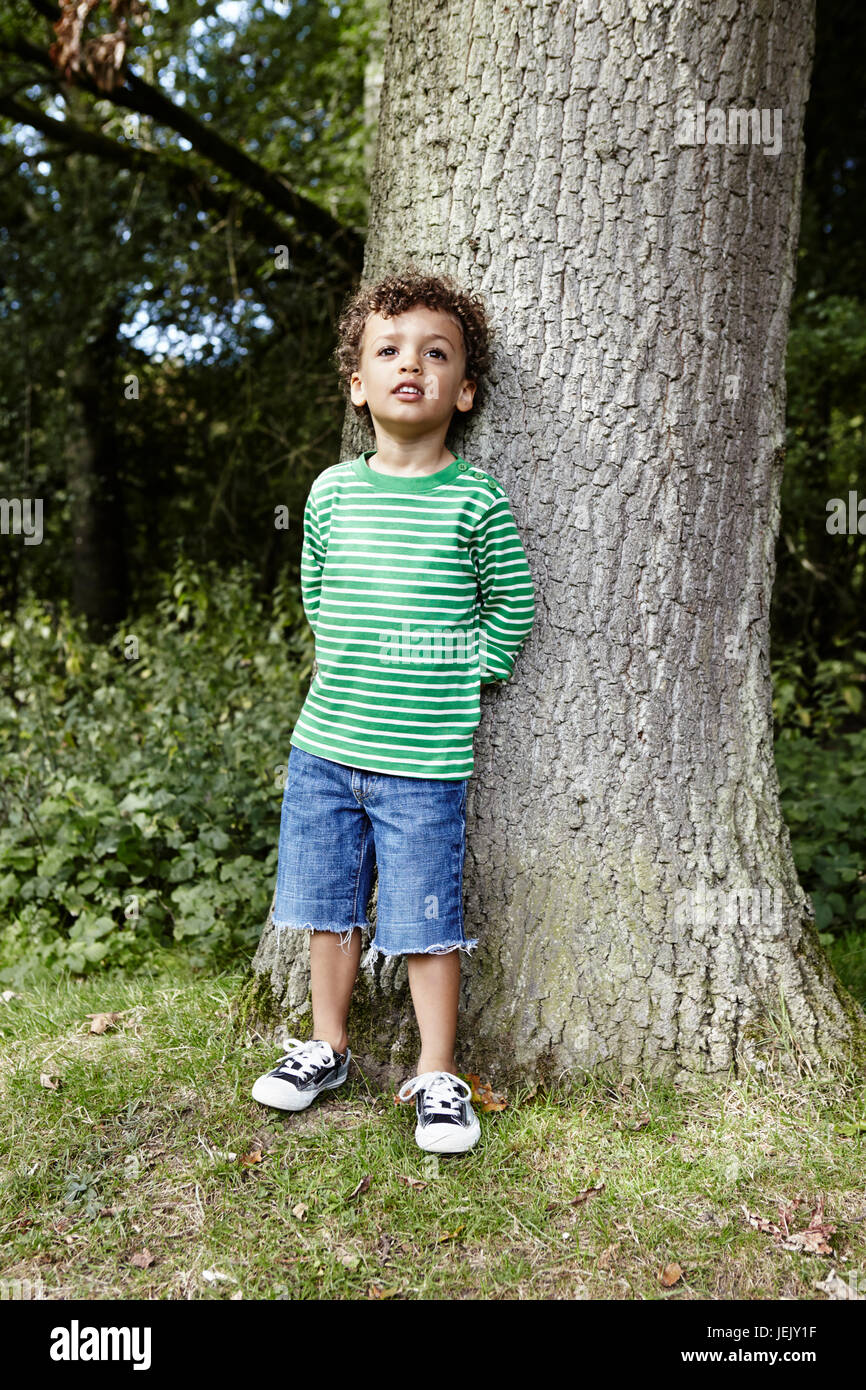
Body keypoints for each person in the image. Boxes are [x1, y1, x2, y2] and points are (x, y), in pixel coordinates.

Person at [252, 267, 536, 1153]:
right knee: (325, 902)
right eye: (390, 350)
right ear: (357, 382)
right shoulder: (333, 491)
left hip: (425, 761)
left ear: (465, 389)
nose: (411, 365)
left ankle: (436, 1070)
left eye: (436, 353)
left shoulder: (472, 496)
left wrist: (462, 673)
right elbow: (318, 593)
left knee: (423, 918)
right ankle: (327, 1045)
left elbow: (512, 609)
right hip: (327, 747)